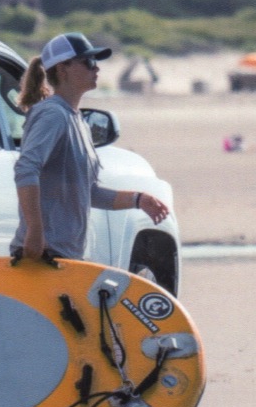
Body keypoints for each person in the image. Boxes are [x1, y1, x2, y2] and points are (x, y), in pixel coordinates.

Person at [11, 32, 171, 262]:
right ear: (62, 70)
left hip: (65, 256)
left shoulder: (77, 119)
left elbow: (90, 192)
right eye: (87, 62)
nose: (96, 68)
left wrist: (138, 200)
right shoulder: (53, 115)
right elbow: (26, 169)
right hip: (44, 255)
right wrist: (35, 231)